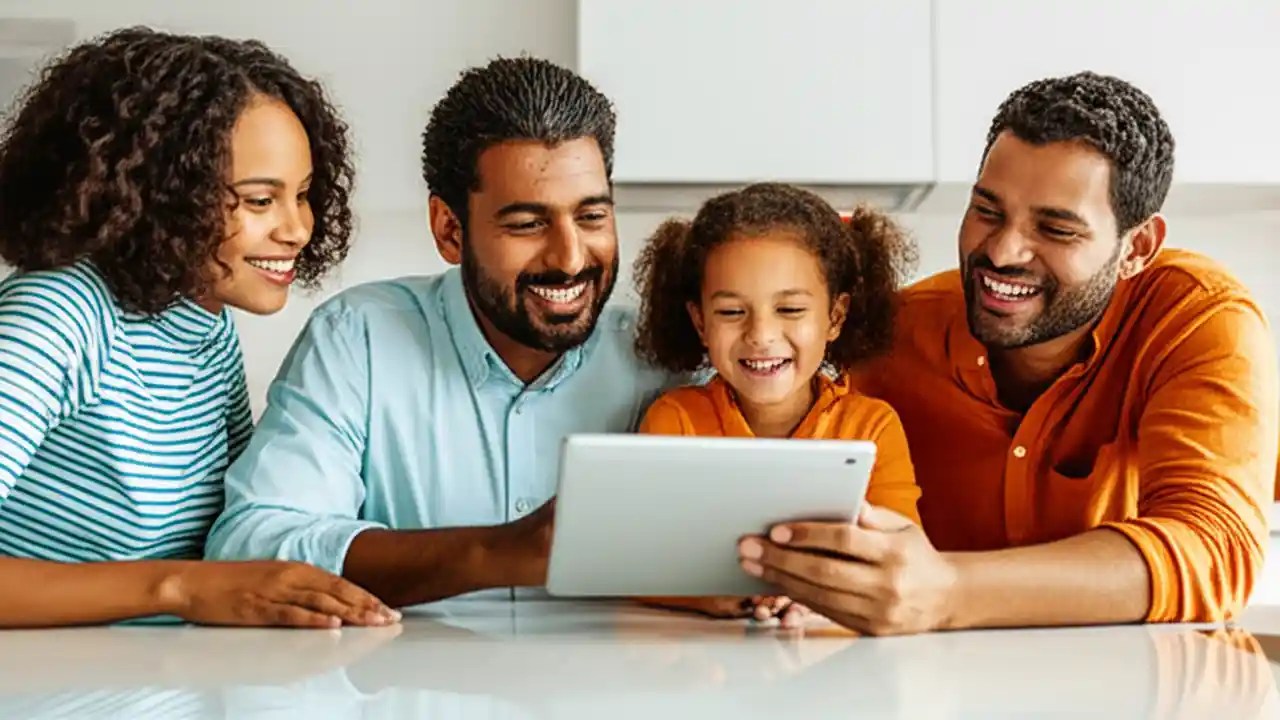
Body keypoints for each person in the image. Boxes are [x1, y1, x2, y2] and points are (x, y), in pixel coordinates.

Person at [737, 71, 1280, 634]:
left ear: (1135, 248)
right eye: (987, 211)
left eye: (1056, 228)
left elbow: (1216, 547)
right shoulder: (892, 339)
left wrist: (948, 592)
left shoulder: (1195, 319)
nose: (1001, 251)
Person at [205, 57, 675, 607]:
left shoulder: (667, 348)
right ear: (449, 230)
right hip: (401, 689)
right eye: (527, 224)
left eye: (592, 217)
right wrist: (495, 554)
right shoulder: (359, 338)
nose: (570, 258)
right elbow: (250, 545)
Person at [0, 28, 399, 628]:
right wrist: (179, 589)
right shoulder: (58, 315)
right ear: (163, 195)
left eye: (304, 195)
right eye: (260, 201)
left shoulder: (205, 328)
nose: (297, 228)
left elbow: (239, 529)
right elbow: (193, 580)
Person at [630, 183, 922, 622]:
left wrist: (816, 594)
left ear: (835, 317)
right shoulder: (676, 419)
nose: (761, 335)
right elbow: (636, 562)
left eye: (789, 310)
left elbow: (905, 559)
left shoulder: (873, 427)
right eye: (731, 312)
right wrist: (715, 596)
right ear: (700, 321)